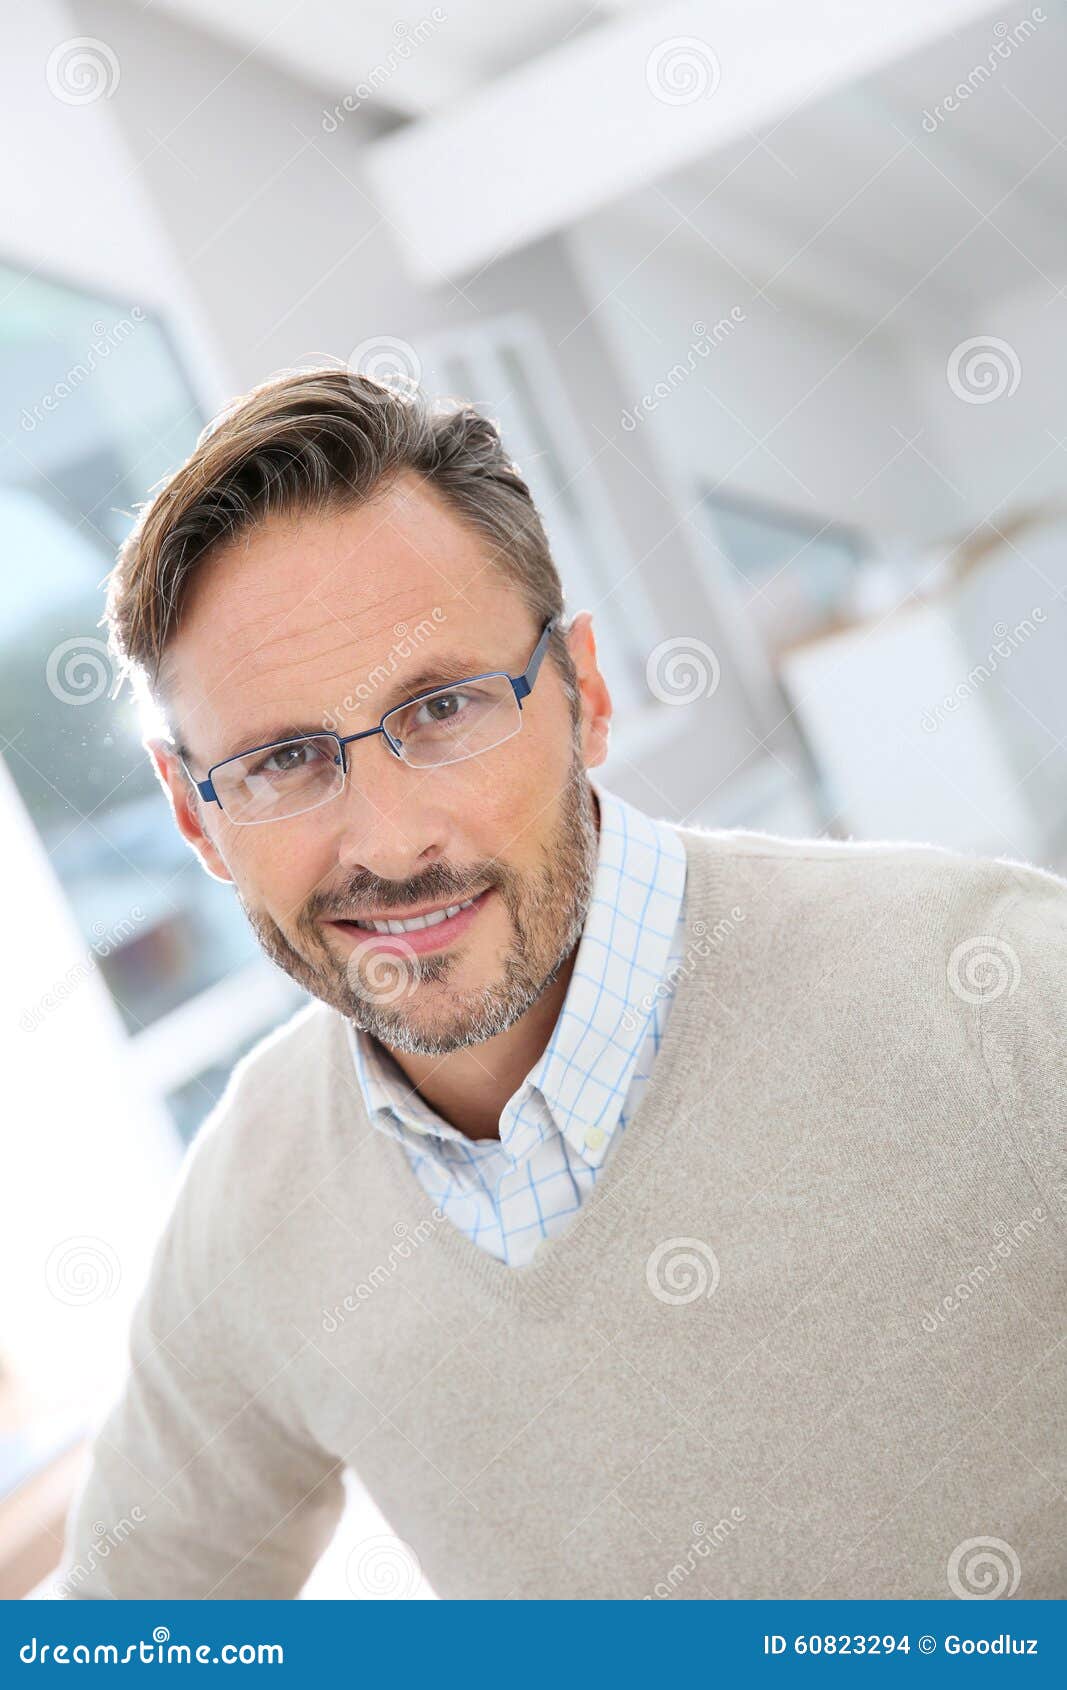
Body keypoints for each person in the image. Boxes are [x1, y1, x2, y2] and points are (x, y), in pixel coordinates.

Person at [59, 368, 1066, 1600]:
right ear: (194, 818)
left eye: (439, 706)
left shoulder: (1001, 998)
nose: (384, 839)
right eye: (281, 761)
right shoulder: (250, 1204)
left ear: (581, 694)